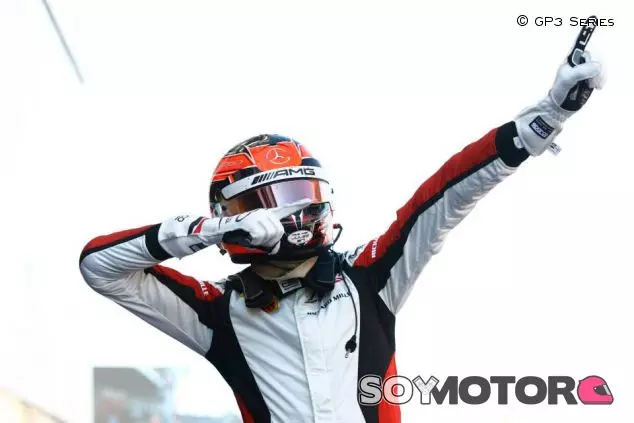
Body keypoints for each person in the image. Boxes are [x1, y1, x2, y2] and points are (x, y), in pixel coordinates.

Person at [79, 30, 605, 423]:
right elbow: (99, 268)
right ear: (230, 214)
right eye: (271, 199)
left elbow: (446, 195)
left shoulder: (371, 274)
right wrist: (203, 230)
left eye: (303, 195)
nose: (293, 213)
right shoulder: (215, 311)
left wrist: (547, 116)